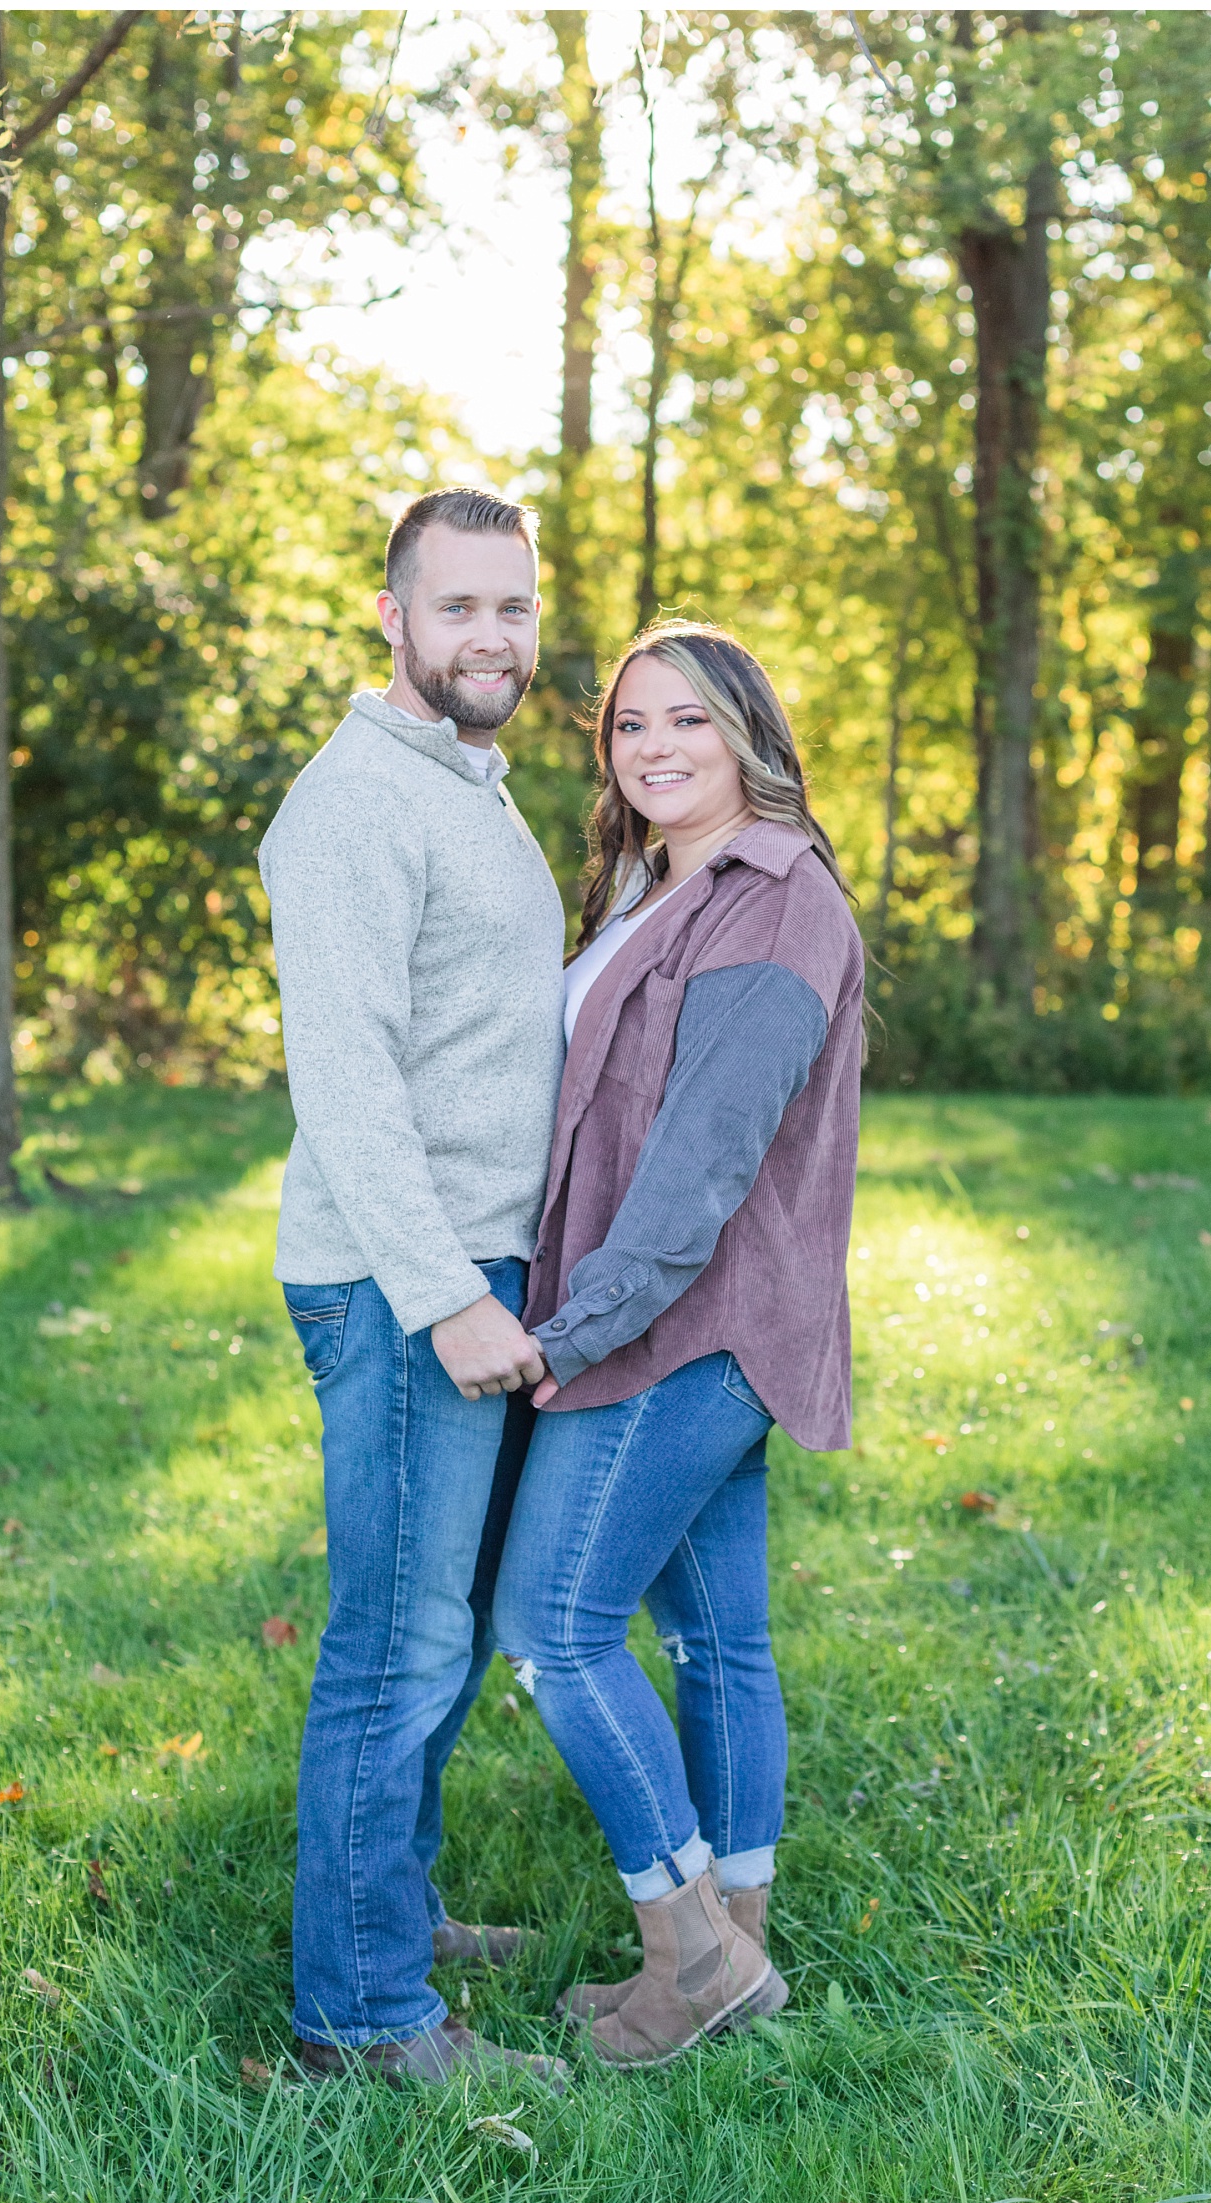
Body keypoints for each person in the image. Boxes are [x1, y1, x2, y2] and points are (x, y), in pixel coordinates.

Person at [492, 620, 865, 2068]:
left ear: (749, 736)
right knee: (717, 1640)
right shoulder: (662, 885)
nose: (654, 749)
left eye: (688, 724)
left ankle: (691, 1954)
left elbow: (700, 1169)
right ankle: (739, 1953)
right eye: (630, 726)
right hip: (692, 1316)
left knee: (557, 1629)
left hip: (678, 1325)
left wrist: (564, 1336)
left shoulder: (774, 900)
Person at [258, 487, 569, 2089]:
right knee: (394, 1645)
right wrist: (448, 1294)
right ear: (393, 617)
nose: (492, 636)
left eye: (513, 608)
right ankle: (363, 2017)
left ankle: (386, 1910)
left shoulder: (467, 787)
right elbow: (350, 1083)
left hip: (471, 1272)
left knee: (435, 1635)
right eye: (459, 609)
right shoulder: (351, 808)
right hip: (402, 1290)